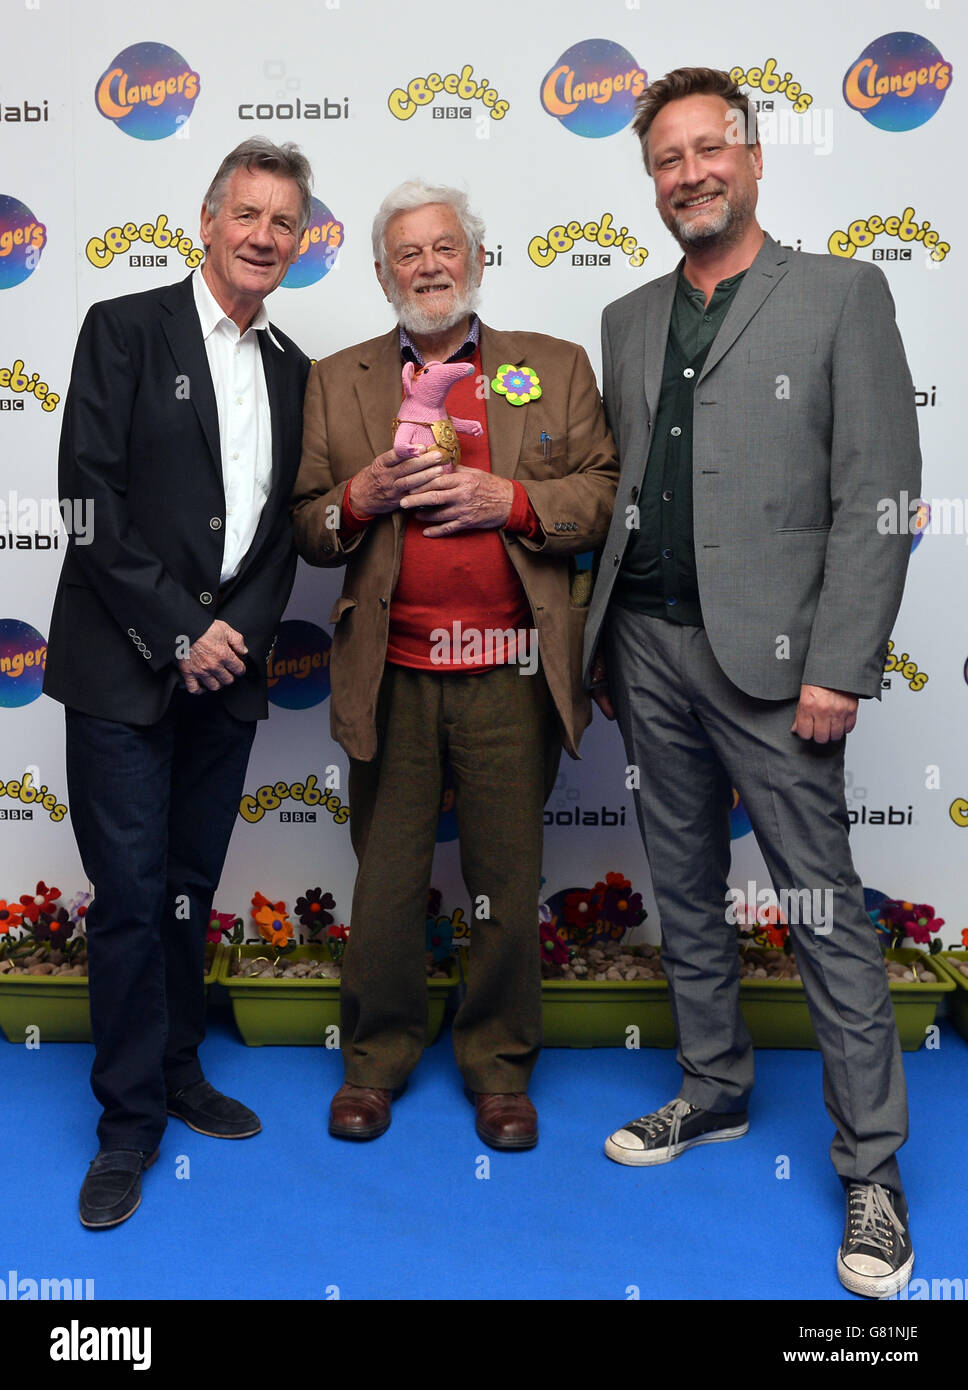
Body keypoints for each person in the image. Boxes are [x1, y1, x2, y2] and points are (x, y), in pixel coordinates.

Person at [582, 68, 921, 1298]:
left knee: (820, 910)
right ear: (651, 182)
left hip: (782, 672)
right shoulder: (624, 318)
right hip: (647, 655)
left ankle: (872, 1169)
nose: (688, 174)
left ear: (754, 157)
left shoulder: (839, 293)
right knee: (681, 888)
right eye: (665, 159)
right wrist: (604, 644)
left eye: (706, 150)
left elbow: (877, 496)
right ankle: (713, 1090)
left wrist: (839, 664)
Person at [290, 180, 618, 1150]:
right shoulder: (336, 378)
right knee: (385, 882)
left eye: (444, 247)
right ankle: (375, 1061)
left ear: (475, 258)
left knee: (504, 881)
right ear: (382, 271)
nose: (427, 265)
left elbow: (601, 496)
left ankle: (498, 1066)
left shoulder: (551, 368)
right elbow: (309, 526)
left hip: (511, 673)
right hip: (389, 672)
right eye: (406, 252)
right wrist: (356, 493)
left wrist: (510, 501)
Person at [44, 138, 313, 1228]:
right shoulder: (122, 328)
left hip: (227, 677)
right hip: (123, 666)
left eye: (282, 222)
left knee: (189, 883)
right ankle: (126, 1124)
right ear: (207, 223)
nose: (261, 236)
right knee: (128, 894)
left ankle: (181, 1070)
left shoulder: (293, 367)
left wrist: (229, 638)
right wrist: (179, 628)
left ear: (299, 242)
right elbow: (83, 502)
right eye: (245, 214)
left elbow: (279, 537)